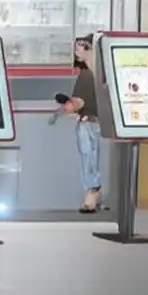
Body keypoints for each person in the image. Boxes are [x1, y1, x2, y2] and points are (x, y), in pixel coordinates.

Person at [51, 34, 102, 213]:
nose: (77, 49)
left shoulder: (86, 76)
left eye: (82, 45)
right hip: (97, 122)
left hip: (87, 123)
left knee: (88, 159)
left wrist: (61, 110)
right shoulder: (99, 75)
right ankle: (94, 193)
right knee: (93, 158)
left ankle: (92, 193)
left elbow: (77, 103)